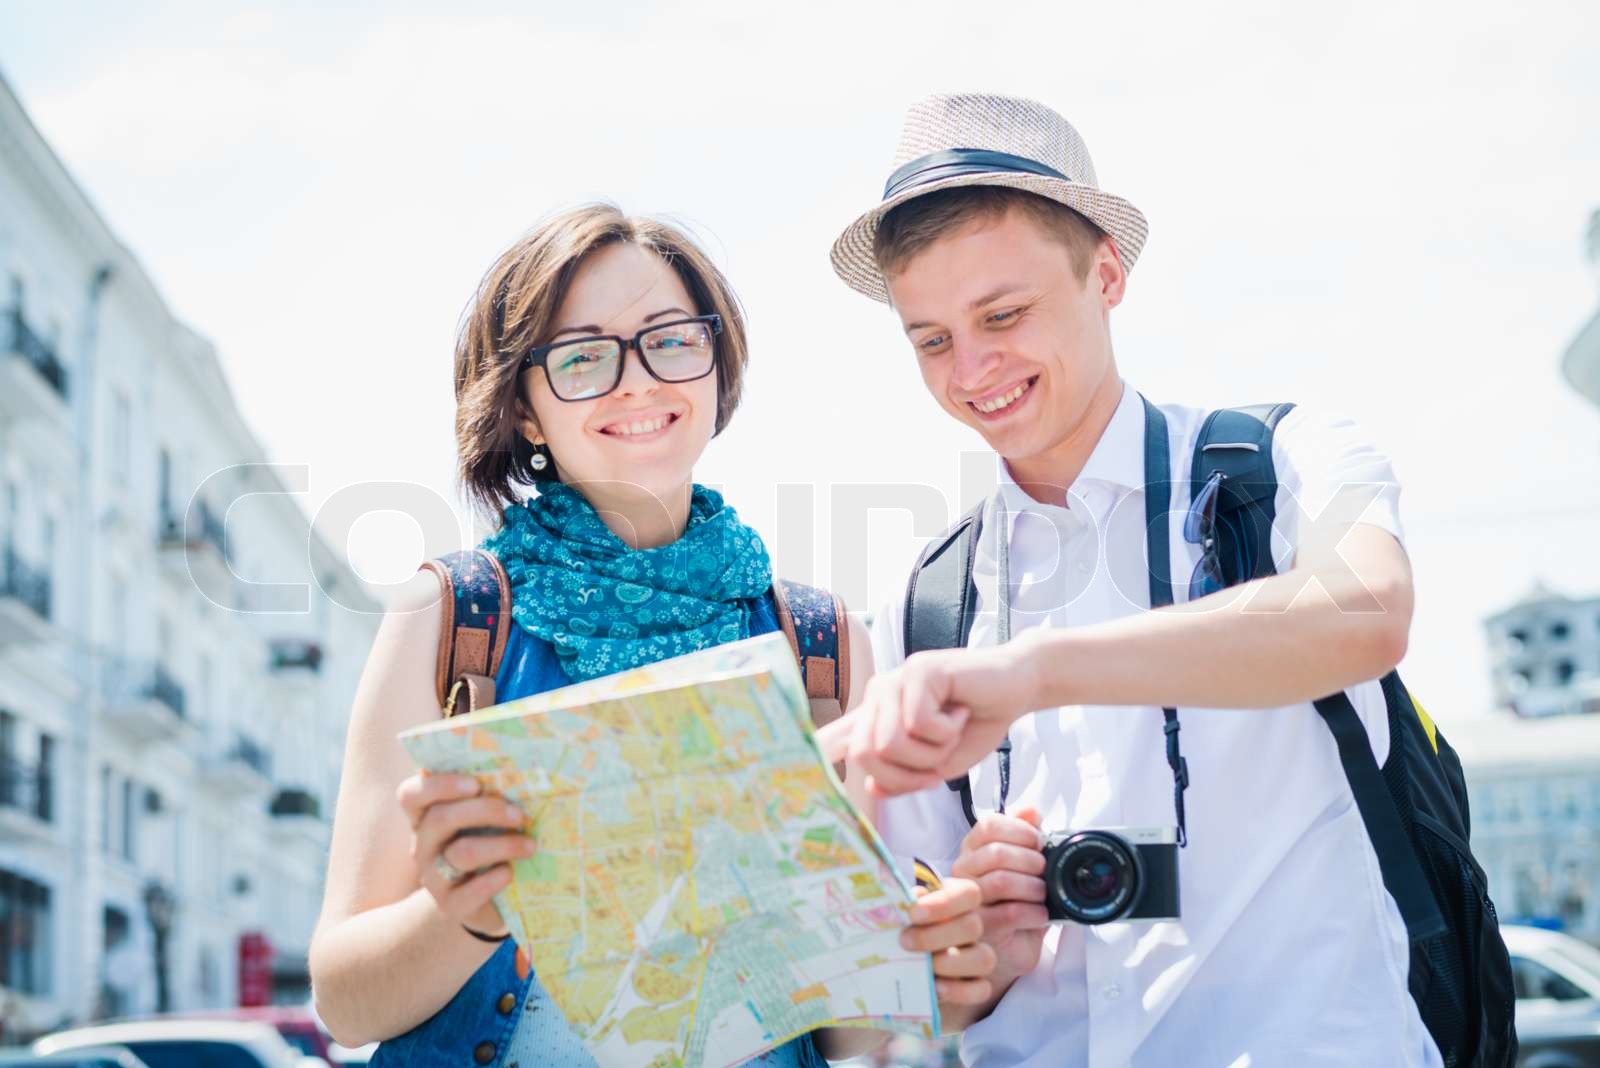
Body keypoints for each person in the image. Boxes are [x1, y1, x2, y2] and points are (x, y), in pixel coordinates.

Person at [817, 94, 1440, 1066]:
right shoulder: (922, 599)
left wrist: (1034, 672)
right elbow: (910, 1000)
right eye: (931, 339)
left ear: (1106, 271)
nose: (971, 368)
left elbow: (1366, 610)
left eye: (1004, 313)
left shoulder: (1284, 457)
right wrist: (972, 946)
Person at [308, 204, 994, 1067]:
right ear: (523, 409)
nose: (636, 383)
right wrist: (470, 910)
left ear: (717, 367)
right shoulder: (452, 618)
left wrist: (938, 972)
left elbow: (839, 1027)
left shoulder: (820, 643)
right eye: (582, 357)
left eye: (670, 340)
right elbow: (344, 1002)